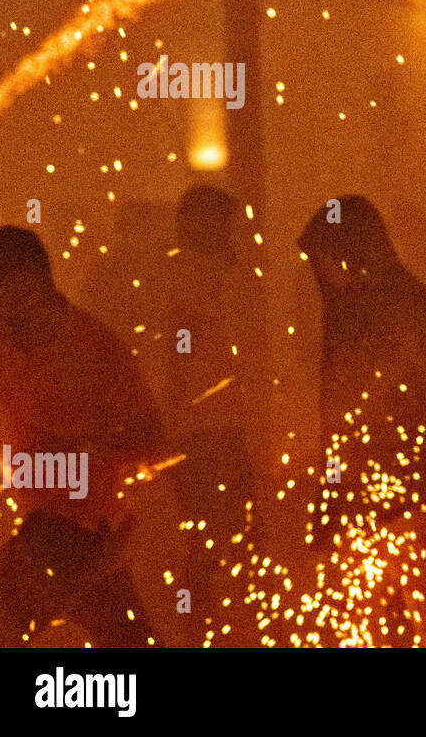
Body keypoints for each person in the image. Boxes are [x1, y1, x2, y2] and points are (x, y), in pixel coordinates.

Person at [298, 196, 426, 643]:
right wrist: (333, 495)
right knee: (376, 614)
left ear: (353, 253)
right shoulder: (355, 309)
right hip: (375, 490)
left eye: (326, 260)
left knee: (420, 611)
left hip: (410, 489)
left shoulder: (399, 310)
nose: (321, 273)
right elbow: (340, 417)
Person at [0, 226, 162, 647]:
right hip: (59, 527)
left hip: (87, 528)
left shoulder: (94, 349)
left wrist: (86, 448)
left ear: (28, 288)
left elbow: (149, 434)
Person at [159, 184, 260, 640]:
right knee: (210, 530)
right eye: (222, 224)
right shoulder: (184, 276)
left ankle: (220, 623)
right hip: (201, 431)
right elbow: (180, 355)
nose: (230, 233)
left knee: (230, 528)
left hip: (221, 426)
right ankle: (200, 628)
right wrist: (181, 420)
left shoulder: (222, 274)